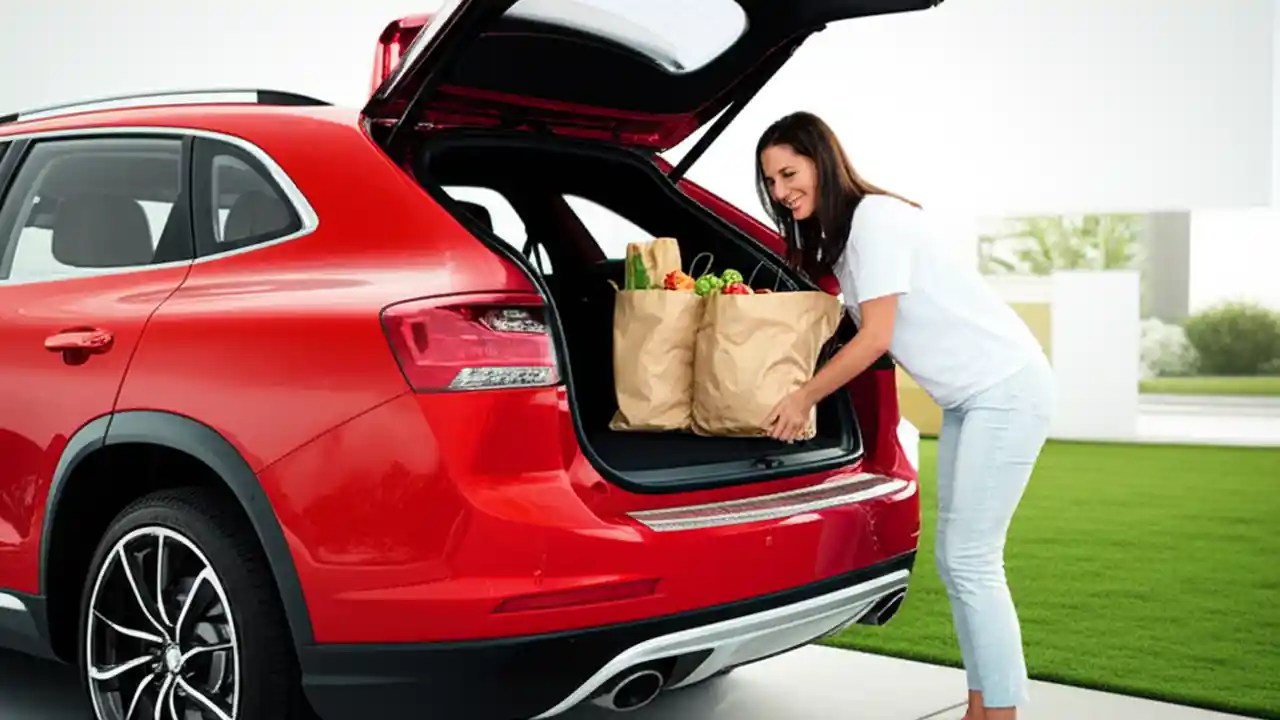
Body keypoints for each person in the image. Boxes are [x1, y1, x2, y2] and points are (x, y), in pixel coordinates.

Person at [756, 111, 1055, 720]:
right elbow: (848, 326)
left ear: (823, 161)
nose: (782, 192)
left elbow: (875, 339)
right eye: (772, 182)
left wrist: (803, 397)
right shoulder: (848, 236)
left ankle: (998, 714)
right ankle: (985, 705)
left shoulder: (876, 221)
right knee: (960, 558)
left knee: (971, 559)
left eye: (790, 173)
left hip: (1006, 388)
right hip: (973, 398)